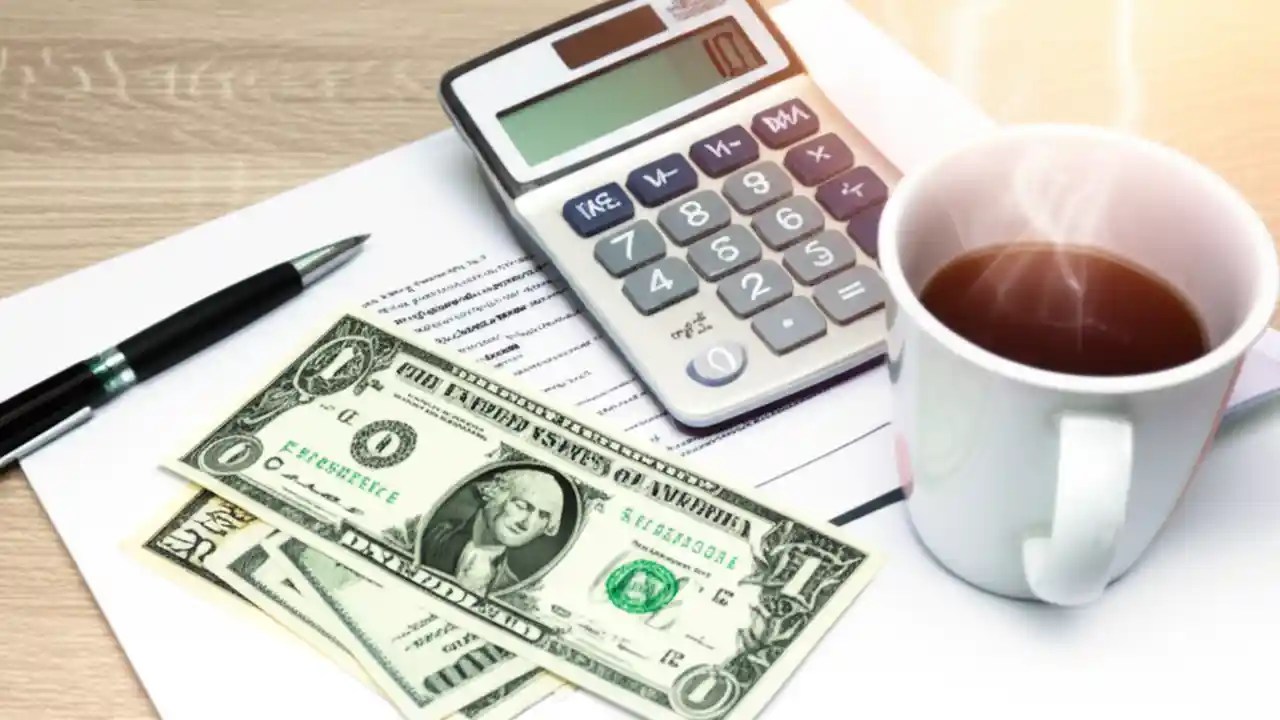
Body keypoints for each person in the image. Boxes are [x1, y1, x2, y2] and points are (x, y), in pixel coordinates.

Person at [418, 467, 565, 595]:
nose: (526, 523)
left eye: (543, 516)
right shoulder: (431, 534)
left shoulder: (509, 585)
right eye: (521, 506)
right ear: (494, 495)